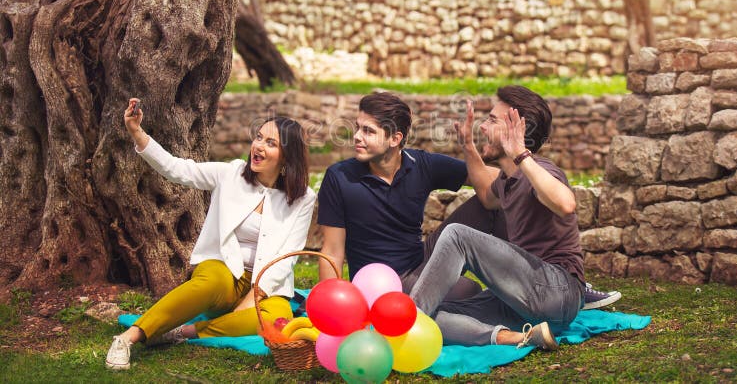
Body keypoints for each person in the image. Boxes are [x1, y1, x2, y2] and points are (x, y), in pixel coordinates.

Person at [317, 92, 620, 309]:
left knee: (490, 202)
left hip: (423, 263)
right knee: (471, 294)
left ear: (395, 139)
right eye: (357, 128)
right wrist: (333, 304)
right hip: (378, 280)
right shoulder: (339, 177)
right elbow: (332, 250)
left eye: (367, 131)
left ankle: (548, 279)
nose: (356, 136)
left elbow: (488, 184)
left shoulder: (421, 164)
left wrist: (516, 164)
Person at [105, 98, 316, 370]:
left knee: (278, 318)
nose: (259, 147)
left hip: (267, 285)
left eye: (270, 143)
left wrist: (254, 297)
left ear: (288, 157)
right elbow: (177, 169)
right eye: (259, 137)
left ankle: (184, 332)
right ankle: (128, 338)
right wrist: (137, 133)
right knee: (209, 283)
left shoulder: (303, 198)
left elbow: (288, 256)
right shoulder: (231, 174)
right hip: (223, 273)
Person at [409, 85, 586, 349]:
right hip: (526, 304)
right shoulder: (507, 179)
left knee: (457, 235)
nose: (483, 127)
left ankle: (406, 322)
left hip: (558, 291)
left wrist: (520, 153)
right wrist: (468, 146)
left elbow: (566, 204)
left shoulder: (540, 170)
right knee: (441, 312)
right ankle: (517, 337)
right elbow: (486, 196)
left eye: (492, 120)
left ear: (517, 129)